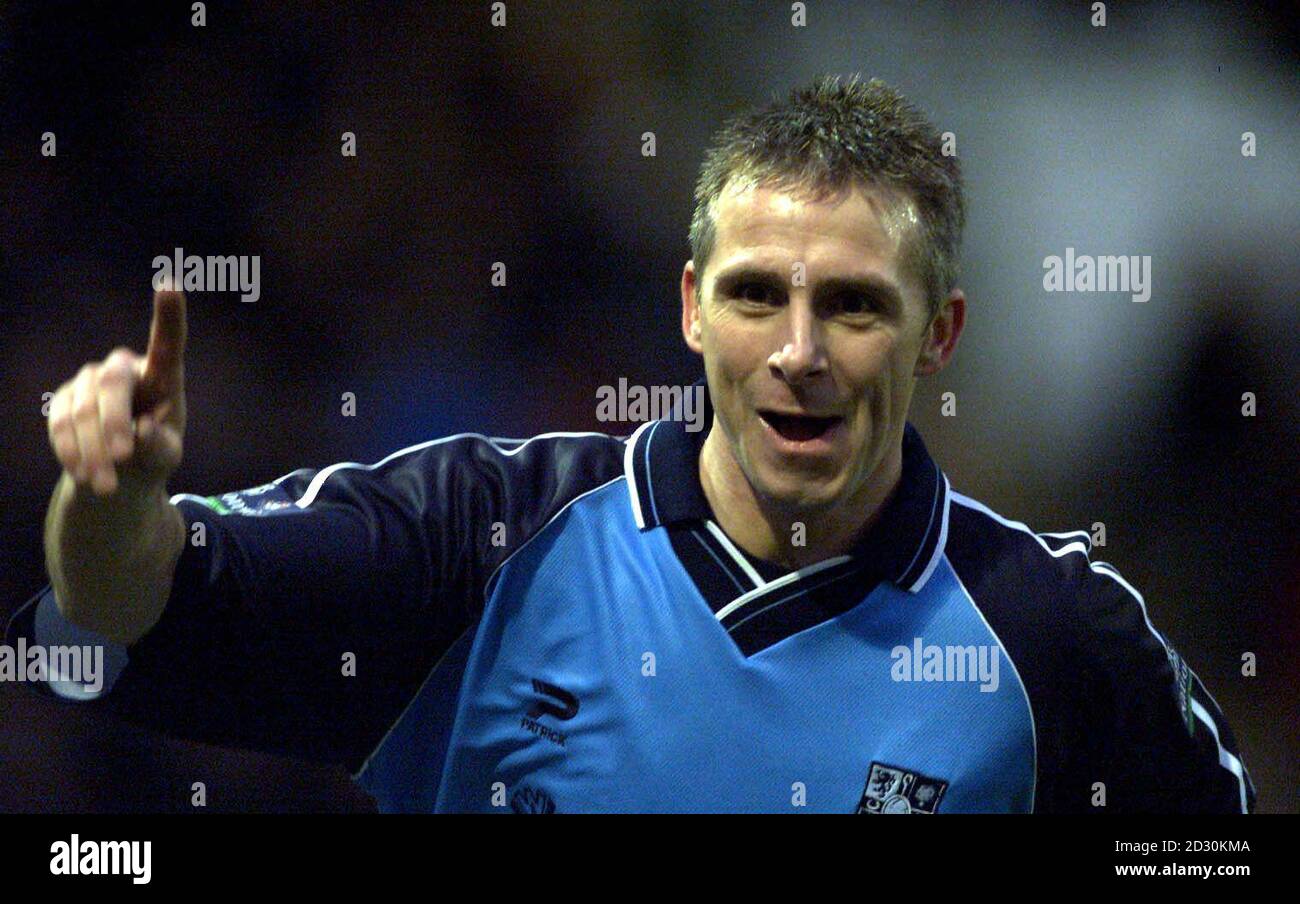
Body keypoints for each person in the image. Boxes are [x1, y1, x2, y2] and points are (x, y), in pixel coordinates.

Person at [8, 75, 1254, 813]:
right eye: (758, 293)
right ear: (690, 307)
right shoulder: (486, 543)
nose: (799, 351)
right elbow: (119, 608)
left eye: (856, 305)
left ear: (940, 333)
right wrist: (110, 496)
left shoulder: (1053, 635)